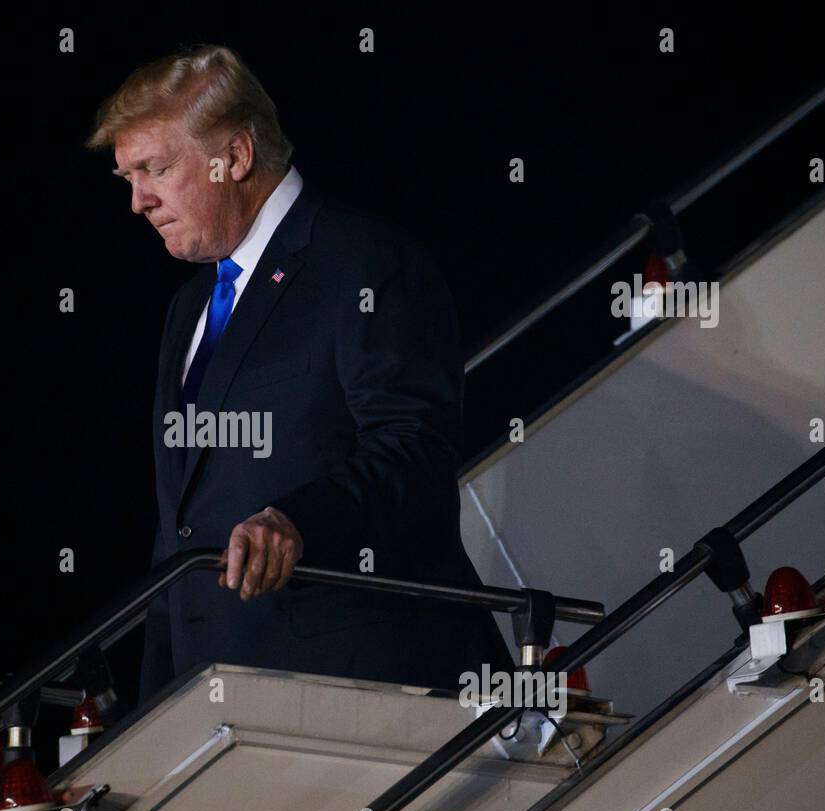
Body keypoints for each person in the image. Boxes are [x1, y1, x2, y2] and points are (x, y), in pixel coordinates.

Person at [85, 44, 514, 701]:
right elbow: (181, 528)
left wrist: (298, 522)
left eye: (155, 170)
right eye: (128, 179)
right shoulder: (188, 308)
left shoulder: (366, 265)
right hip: (218, 699)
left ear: (236, 155)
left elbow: (415, 449)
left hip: (364, 684)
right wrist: (153, 711)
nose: (138, 201)